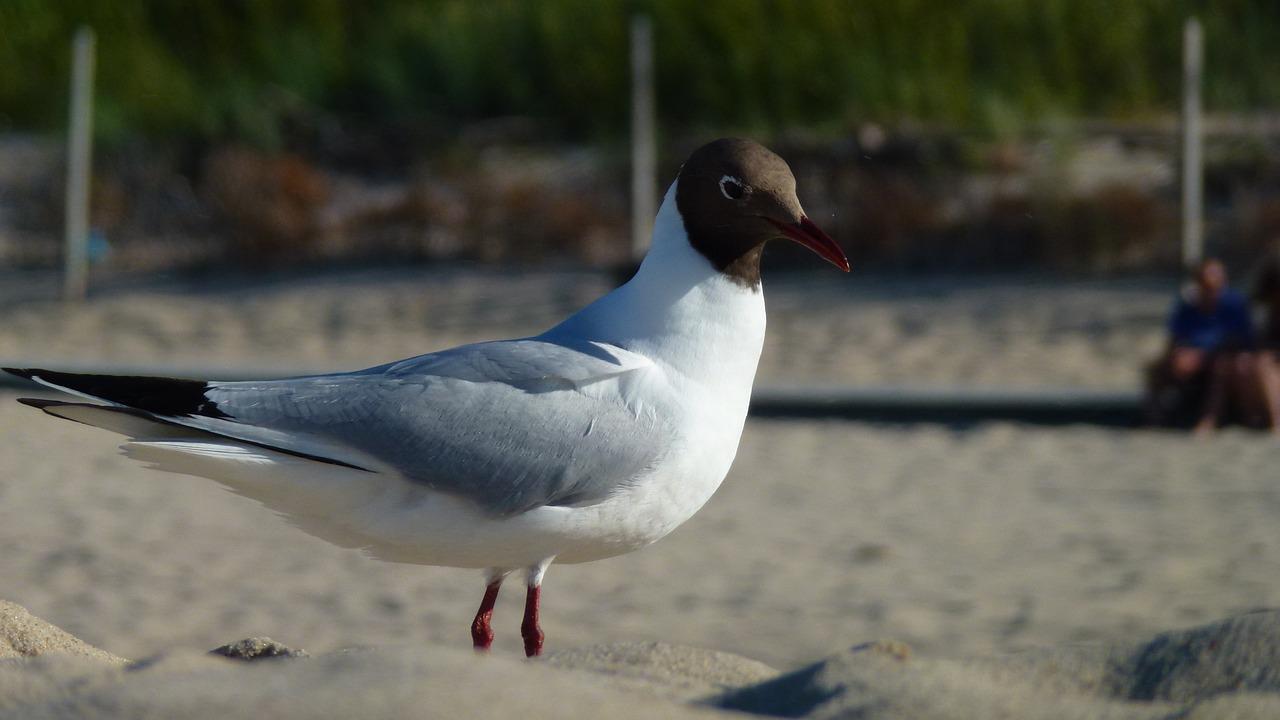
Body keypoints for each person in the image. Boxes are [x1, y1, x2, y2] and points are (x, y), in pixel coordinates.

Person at [1145, 258, 1263, 432]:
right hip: (1192, 355)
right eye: (1205, 282)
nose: (1211, 287)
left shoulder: (1235, 304)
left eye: (1216, 281)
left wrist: (1207, 354)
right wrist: (1178, 354)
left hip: (1222, 357)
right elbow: (1175, 339)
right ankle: (1153, 420)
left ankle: (1209, 420)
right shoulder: (1188, 305)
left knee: (1222, 366)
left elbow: (1246, 340)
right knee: (1157, 367)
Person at [1249, 246, 1280, 433]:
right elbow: (1262, 345)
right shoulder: (1266, 315)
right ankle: (1277, 420)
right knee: (1264, 364)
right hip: (1270, 358)